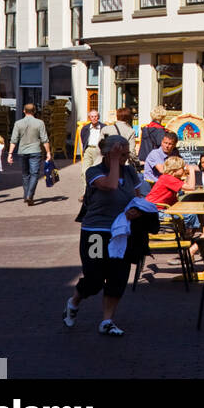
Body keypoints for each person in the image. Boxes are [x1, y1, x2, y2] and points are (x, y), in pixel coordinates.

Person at [63, 134, 150, 336]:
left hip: (121, 232)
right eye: (122, 154)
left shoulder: (129, 172)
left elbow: (138, 198)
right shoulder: (95, 171)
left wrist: (137, 210)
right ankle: (74, 301)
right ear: (110, 153)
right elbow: (110, 186)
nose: (126, 158)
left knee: (118, 277)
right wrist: (113, 160)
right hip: (96, 232)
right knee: (94, 279)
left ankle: (107, 320)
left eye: (126, 154)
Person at [7, 103, 53, 206]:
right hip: (35, 151)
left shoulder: (18, 123)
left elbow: (13, 140)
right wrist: (48, 153)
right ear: (35, 111)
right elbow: (44, 139)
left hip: (22, 151)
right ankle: (30, 195)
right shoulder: (40, 123)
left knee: (25, 174)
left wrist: (10, 153)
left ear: (24, 111)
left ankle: (26, 195)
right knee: (34, 174)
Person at [79, 111, 103, 181]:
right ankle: (86, 190)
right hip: (88, 150)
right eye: (92, 117)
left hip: (99, 151)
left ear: (98, 117)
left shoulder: (103, 127)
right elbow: (83, 139)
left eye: (95, 116)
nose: (94, 118)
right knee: (84, 171)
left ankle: (96, 190)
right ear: (89, 118)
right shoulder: (85, 128)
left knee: (97, 172)